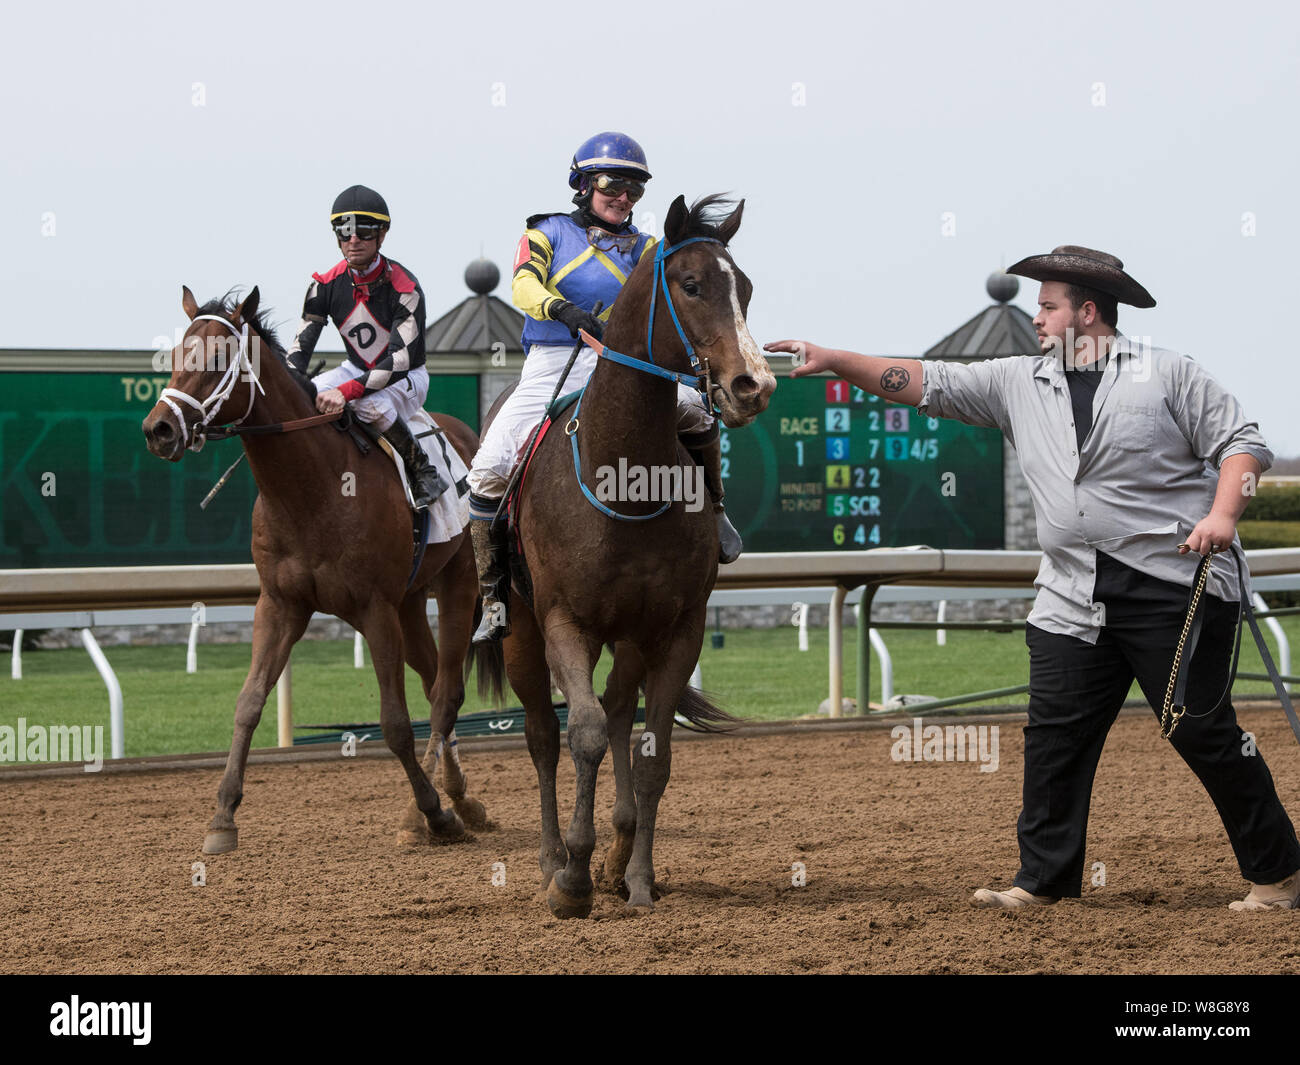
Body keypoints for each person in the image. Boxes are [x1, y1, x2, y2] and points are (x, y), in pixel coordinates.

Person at [766, 245, 1300, 911]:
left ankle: (1279, 874)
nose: (1038, 317)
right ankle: (1044, 881)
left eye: (1048, 305)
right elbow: (924, 381)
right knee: (1055, 736)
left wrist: (1224, 513)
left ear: (1089, 310)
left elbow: (1245, 445)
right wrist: (836, 359)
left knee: (1199, 728)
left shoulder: (1170, 374)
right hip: (1072, 597)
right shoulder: (1015, 380)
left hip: (1175, 587)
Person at [466, 132, 741, 644]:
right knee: (485, 471)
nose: (624, 197)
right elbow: (524, 285)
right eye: (614, 184)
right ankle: (493, 596)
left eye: (634, 190)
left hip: (623, 367)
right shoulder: (544, 231)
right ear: (585, 183)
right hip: (553, 362)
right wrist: (562, 309)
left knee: (699, 415)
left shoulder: (648, 250)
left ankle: (717, 512)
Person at [286, 184, 445, 509]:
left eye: (363, 231)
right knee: (301, 398)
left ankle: (423, 470)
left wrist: (345, 392)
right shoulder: (323, 285)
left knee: (366, 405)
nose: (353, 240)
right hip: (356, 367)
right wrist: (288, 385)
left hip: (407, 378)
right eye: (344, 232)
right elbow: (300, 349)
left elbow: (400, 361)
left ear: (382, 234)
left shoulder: (406, 287)